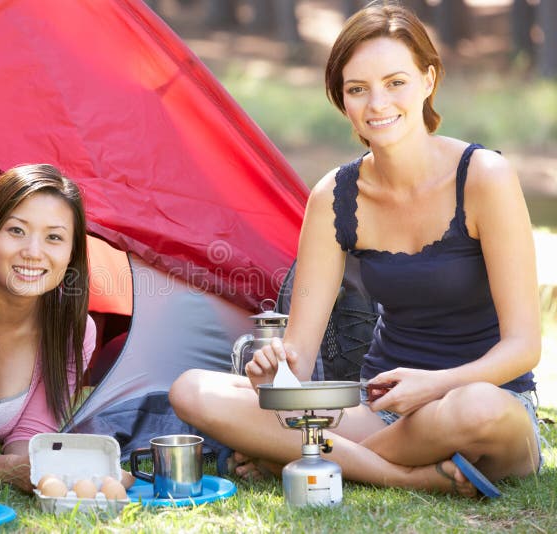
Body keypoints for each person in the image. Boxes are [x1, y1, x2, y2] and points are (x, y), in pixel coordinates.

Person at [169, 2, 542, 497]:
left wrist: (434, 386)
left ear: (428, 80)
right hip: (379, 410)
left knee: (475, 407)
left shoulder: (483, 178)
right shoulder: (334, 196)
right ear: (341, 99)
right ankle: (405, 475)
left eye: (395, 82)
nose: (377, 105)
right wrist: (275, 371)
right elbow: (298, 357)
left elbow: (524, 347)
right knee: (193, 390)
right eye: (357, 89)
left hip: (485, 407)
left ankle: (305, 454)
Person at [0, 164, 125, 492]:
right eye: (16, 230)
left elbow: (29, 436)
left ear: (71, 252)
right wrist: (0, 468)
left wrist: (30, 469)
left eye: (54, 238)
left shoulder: (73, 331)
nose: (33, 252)